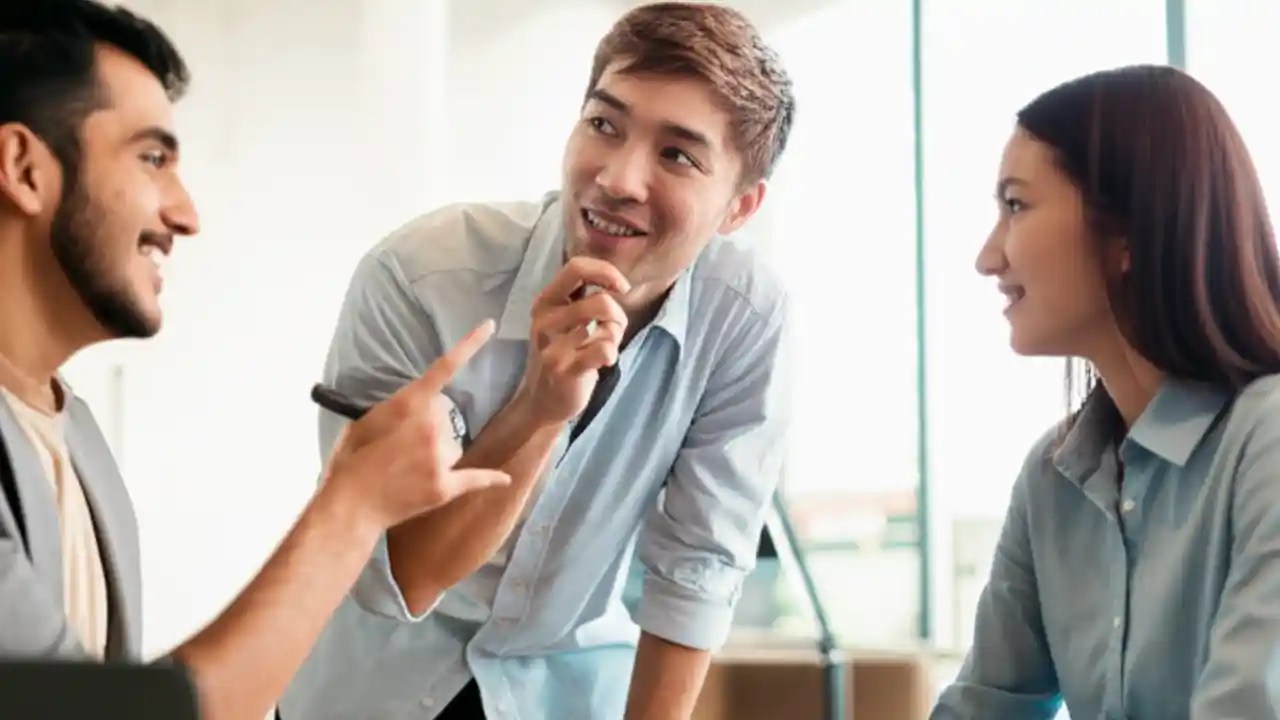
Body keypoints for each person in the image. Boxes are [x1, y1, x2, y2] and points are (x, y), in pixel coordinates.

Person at [278, 3, 796, 719]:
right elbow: (404, 578)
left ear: (740, 207)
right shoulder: (417, 279)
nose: (618, 178)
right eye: (604, 124)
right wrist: (540, 407)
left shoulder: (742, 316)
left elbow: (697, 569)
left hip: (566, 694)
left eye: (676, 154)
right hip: (373, 690)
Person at [0, 3, 510, 720]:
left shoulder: (71, 431)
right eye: (152, 158)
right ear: (24, 167)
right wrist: (354, 504)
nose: (186, 213)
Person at [932, 64, 1280, 719]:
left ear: (1128, 233)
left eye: (1015, 205)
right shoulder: (1052, 475)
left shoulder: (1269, 438)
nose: (988, 256)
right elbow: (985, 709)